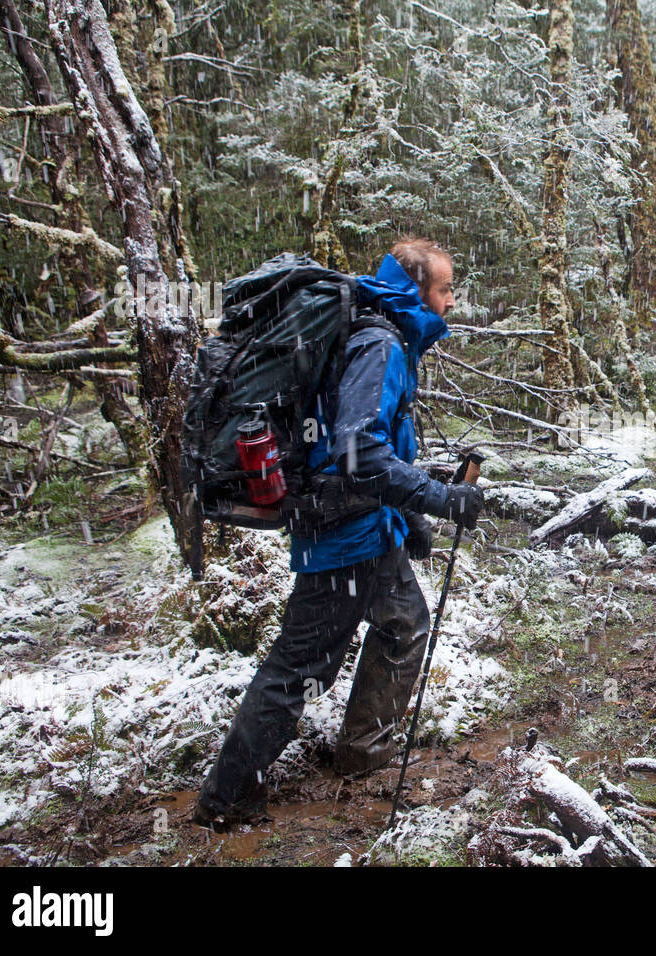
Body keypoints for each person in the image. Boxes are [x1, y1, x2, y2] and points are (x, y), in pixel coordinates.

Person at [193, 236, 485, 827]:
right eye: (446, 288)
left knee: (404, 623)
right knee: (301, 668)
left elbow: (372, 445)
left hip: (367, 526)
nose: (452, 300)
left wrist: (408, 517)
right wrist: (440, 498)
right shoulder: (380, 343)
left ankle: (362, 751)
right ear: (416, 290)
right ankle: (227, 799)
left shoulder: (387, 336)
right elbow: (358, 452)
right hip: (342, 532)